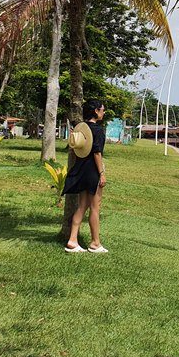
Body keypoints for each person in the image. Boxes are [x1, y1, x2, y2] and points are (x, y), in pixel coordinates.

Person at [62, 99, 108, 253]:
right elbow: (97, 153)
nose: (104, 112)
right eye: (102, 109)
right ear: (96, 111)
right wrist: (101, 173)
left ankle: (72, 240)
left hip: (82, 170)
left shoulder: (81, 129)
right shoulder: (98, 130)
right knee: (95, 207)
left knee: (82, 206)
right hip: (93, 172)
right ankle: (95, 243)